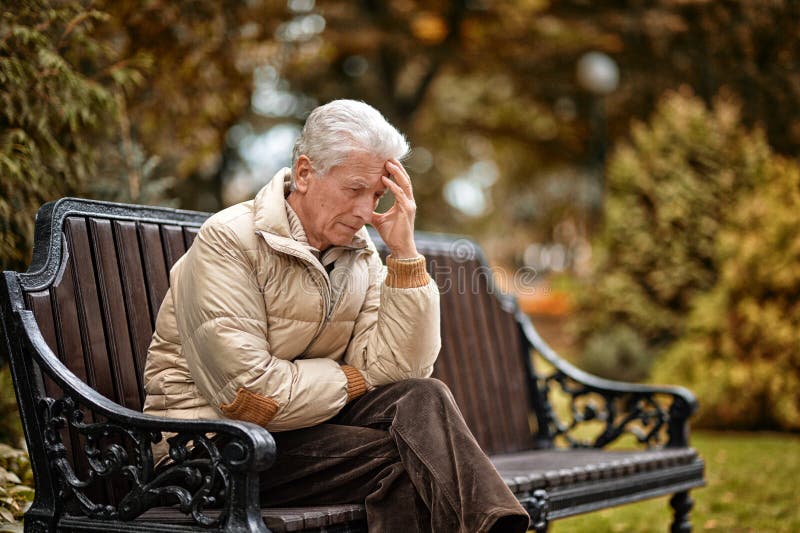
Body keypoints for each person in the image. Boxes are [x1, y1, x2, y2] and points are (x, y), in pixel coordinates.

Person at [142, 100, 530, 532]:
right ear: (305, 174)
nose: (366, 212)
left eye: (377, 195)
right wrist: (353, 378)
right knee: (411, 459)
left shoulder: (359, 255)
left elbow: (403, 370)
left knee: (423, 396)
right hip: (211, 449)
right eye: (354, 189)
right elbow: (251, 397)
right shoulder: (229, 241)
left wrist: (404, 254)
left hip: (307, 431)